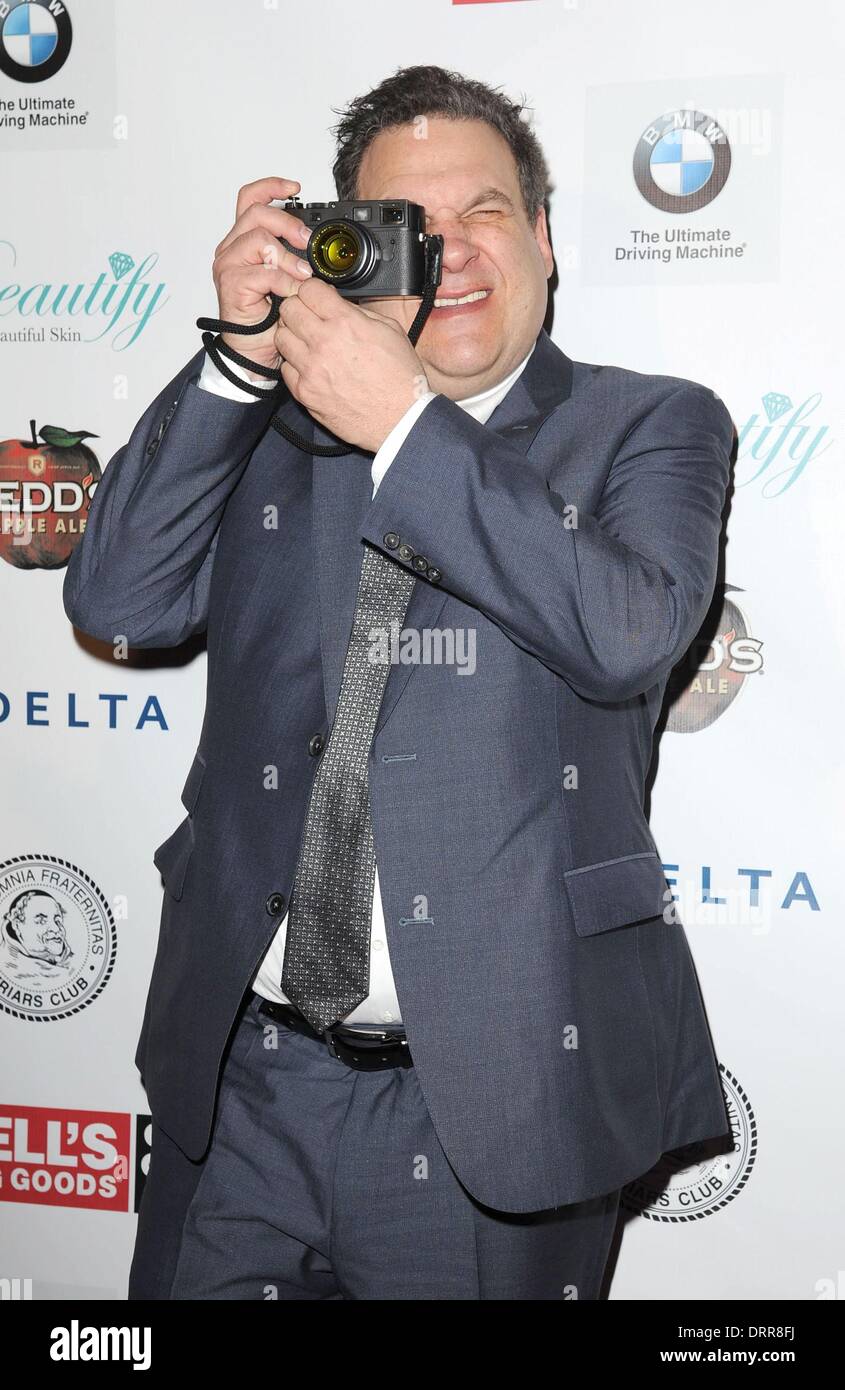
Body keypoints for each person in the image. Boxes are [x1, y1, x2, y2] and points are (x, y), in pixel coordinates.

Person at [63, 64, 734, 1300]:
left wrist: (410, 428)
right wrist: (238, 366)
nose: (451, 250)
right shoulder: (275, 424)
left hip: (498, 1099)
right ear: (344, 251)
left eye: (484, 211)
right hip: (242, 1085)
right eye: (403, 225)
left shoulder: (651, 426)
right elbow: (117, 602)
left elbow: (627, 629)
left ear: (541, 238)